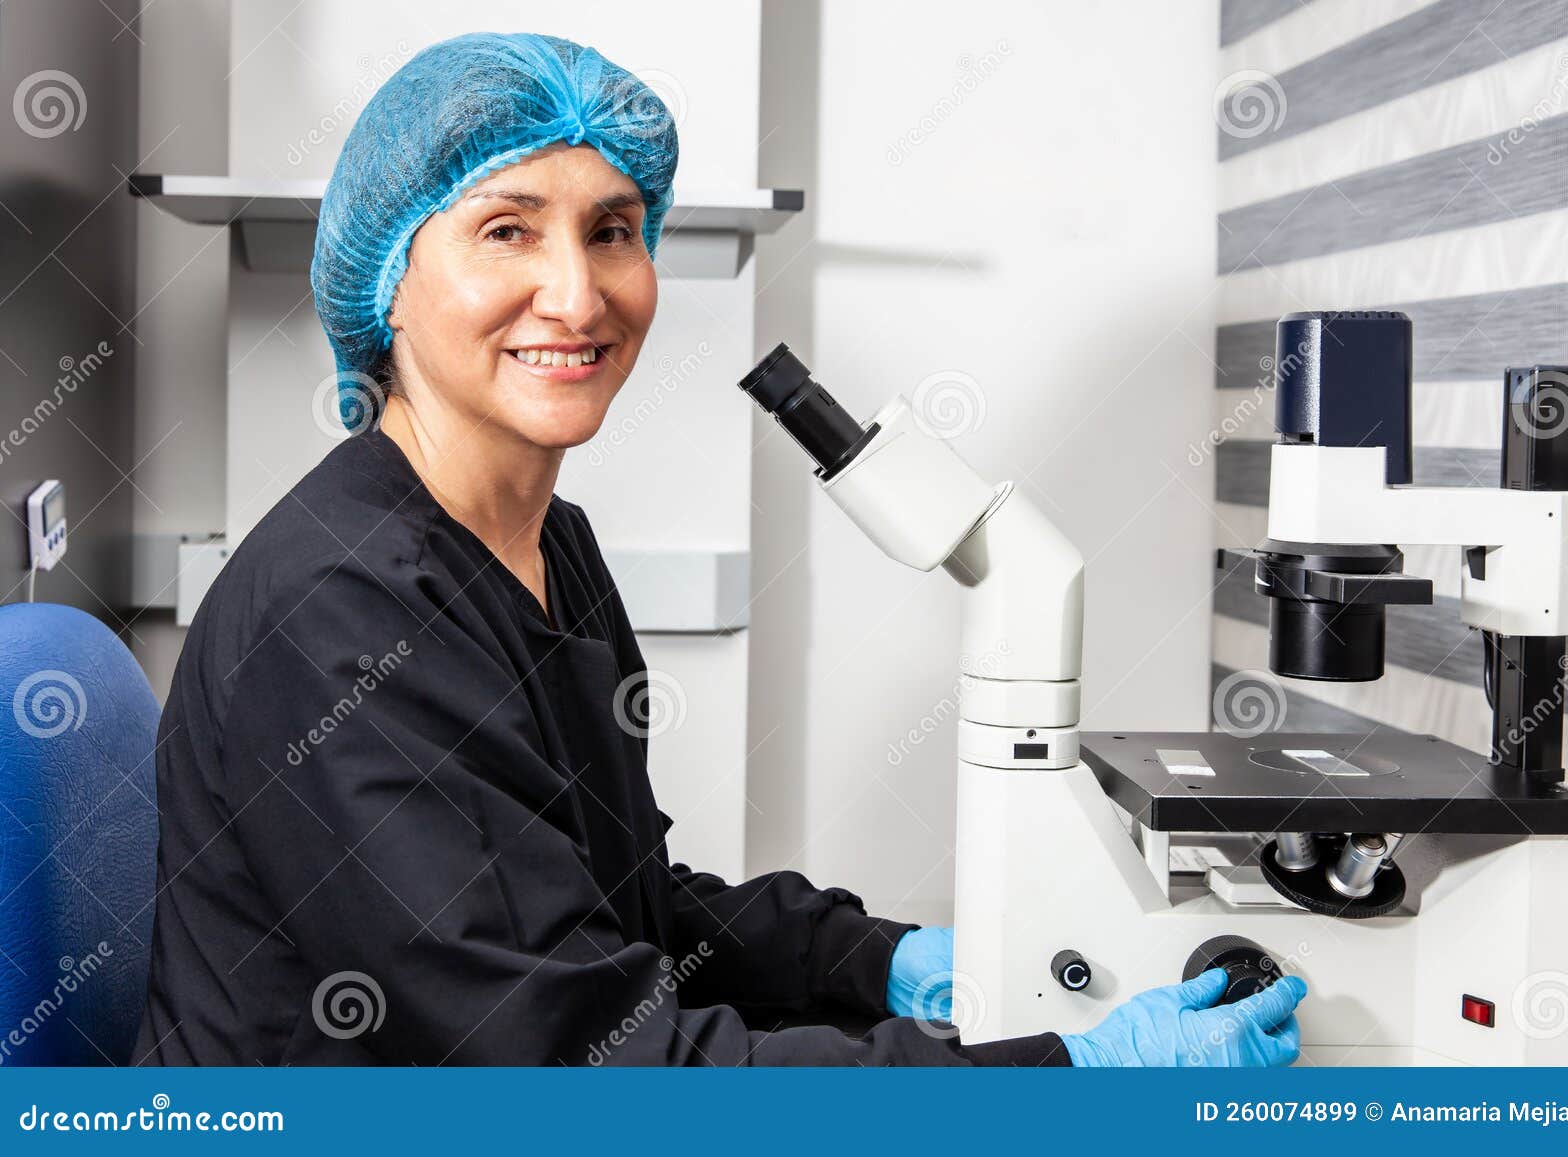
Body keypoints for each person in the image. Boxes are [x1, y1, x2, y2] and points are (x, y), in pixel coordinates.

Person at [134, 31, 1305, 1066]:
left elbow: (613, 908)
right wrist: (1067, 1079)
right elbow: (589, 1069)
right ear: (389, 278)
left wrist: (871, 957)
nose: (575, 294)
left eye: (612, 231)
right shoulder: (344, 614)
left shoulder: (548, 547)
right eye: (506, 230)